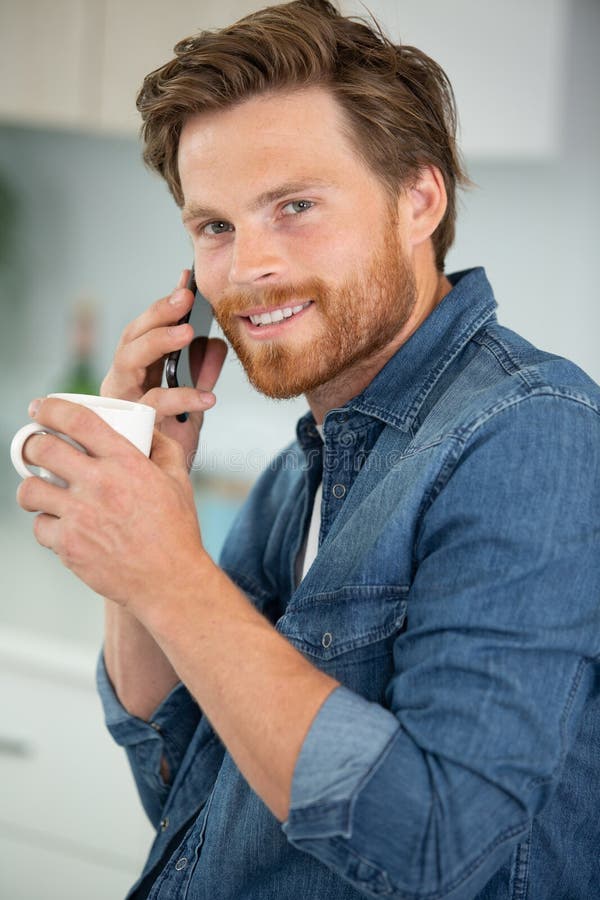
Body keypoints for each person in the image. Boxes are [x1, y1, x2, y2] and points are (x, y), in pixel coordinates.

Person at [16, 1, 600, 898]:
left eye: (294, 206)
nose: (250, 266)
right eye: (216, 226)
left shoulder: (532, 432)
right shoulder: (304, 470)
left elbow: (438, 845)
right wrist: (136, 529)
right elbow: (189, 793)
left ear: (419, 199)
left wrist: (169, 574)